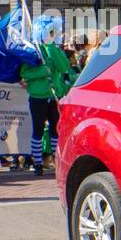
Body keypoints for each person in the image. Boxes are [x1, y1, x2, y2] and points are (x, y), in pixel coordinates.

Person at [20, 31, 74, 175]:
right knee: (38, 129)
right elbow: (24, 74)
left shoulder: (54, 50)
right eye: (50, 33)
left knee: (56, 130)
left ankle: (57, 162)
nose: (53, 36)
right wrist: (42, 72)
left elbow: (64, 67)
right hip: (38, 96)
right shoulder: (31, 51)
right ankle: (37, 163)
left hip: (53, 95)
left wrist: (51, 49)